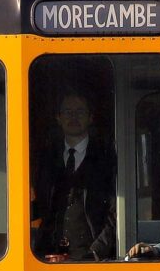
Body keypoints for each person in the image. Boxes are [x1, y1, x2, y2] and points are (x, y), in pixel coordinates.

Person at [33, 92, 118, 261]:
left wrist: (97, 251)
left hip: (92, 259)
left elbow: (117, 211)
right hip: (48, 258)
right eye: (68, 112)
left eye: (80, 112)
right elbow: (41, 205)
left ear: (90, 117)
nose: (73, 117)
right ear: (58, 118)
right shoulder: (46, 158)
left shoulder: (107, 159)